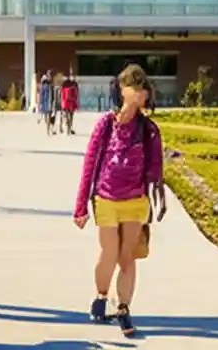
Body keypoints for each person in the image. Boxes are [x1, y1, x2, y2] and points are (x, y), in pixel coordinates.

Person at [73, 64, 165, 338]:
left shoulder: (148, 129)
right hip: (106, 199)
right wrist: (80, 207)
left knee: (127, 257)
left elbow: (155, 172)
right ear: (122, 90)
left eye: (143, 87)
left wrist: (158, 161)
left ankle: (123, 308)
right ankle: (101, 296)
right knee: (108, 254)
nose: (140, 92)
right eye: (134, 86)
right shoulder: (106, 123)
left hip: (135, 201)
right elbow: (89, 164)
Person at [60, 71, 79, 135]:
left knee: (68, 115)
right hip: (71, 102)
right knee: (71, 115)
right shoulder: (73, 83)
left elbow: (62, 93)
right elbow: (77, 93)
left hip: (67, 101)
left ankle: (68, 127)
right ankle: (69, 127)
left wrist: (62, 101)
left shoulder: (64, 83)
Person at [38, 70, 56, 136]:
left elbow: (53, 95)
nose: (51, 77)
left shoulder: (51, 85)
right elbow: (41, 95)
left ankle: (49, 130)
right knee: (47, 117)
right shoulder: (45, 85)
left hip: (49, 103)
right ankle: (49, 130)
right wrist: (40, 104)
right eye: (50, 75)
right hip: (46, 103)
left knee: (49, 116)